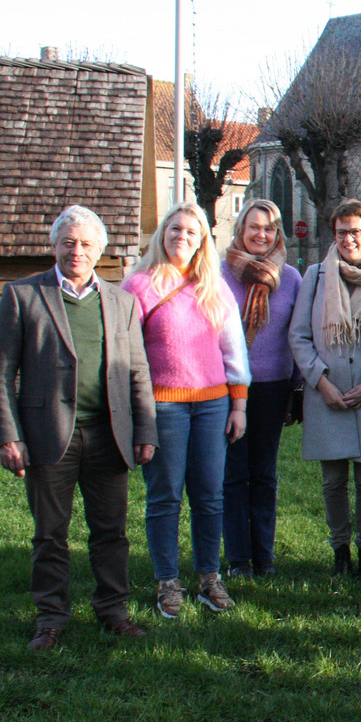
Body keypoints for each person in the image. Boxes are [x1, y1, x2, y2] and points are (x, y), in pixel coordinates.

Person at [0, 206, 157, 649]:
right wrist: (9, 435)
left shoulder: (122, 302)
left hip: (109, 434)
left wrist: (146, 431)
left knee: (111, 531)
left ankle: (113, 610)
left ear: (99, 250)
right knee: (50, 533)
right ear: (54, 246)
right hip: (49, 435)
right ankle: (51, 617)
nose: (76, 251)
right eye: (68, 242)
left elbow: (137, 371)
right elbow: (1, 372)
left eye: (86, 244)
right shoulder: (22, 296)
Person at [123, 202, 250, 617]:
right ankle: (167, 581)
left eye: (192, 232)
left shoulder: (214, 287)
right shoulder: (138, 286)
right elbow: (128, 354)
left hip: (212, 405)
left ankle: (208, 578)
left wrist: (239, 404)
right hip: (163, 407)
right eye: (176, 229)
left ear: (202, 242)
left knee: (211, 497)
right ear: (163, 233)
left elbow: (233, 350)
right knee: (165, 497)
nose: (183, 237)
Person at [289, 199, 361, 583]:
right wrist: (321, 383)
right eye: (341, 232)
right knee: (333, 480)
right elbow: (299, 337)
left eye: (356, 231)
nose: (349, 239)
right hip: (327, 396)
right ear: (333, 235)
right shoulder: (316, 276)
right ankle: (340, 551)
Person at [220, 199, 301, 578]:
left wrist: (297, 388)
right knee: (234, 474)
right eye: (254, 227)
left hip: (272, 388)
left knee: (265, 474)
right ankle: (238, 558)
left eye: (269, 228)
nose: (261, 234)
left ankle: (264, 557)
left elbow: (299, 336)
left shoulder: (292, 279)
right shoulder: (219, 275)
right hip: (227, 388)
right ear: (240, 230)